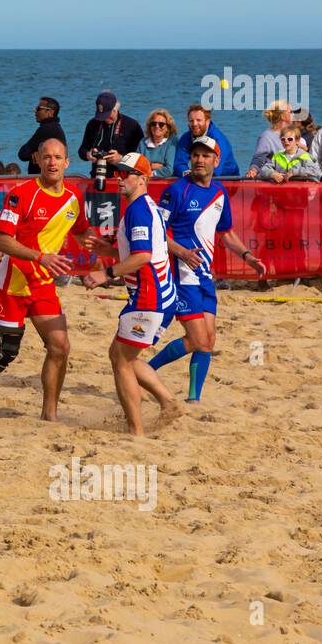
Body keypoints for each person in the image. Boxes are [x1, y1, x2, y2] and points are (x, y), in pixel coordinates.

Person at [0, 138, 87, 425]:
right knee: (4, 353)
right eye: (47, 157)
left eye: (58, 157)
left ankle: (49, 414)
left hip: (42, 285)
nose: (52, 162)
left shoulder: (74, 198)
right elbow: (2, 240)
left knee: (60, 347)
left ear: (67, 163)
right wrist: (40, 257)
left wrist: (106, 251)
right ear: (38, 161)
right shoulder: (21, 194)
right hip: (11, 284)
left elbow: (81, 233)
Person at [148, 136, 267, 403]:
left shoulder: (219, 192)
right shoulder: (177, 191)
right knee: (197, 339)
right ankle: (146, 370)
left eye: (205, 155)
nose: (199, 160)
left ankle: (193, 399)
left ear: (216, 160)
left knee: (208, 340)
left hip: (204, 276)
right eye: (195, 155)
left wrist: (248, 257)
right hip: (182, 273)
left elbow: (225, 232)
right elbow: (158, 233)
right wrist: (181, 252)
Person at [79, 153, 182, 436]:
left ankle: (135, 432)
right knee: (122, 355)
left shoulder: (138, 210)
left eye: (126, 174)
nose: (118, 178)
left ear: (143, 179)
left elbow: (142, 256)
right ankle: (168, 402)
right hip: (161, 295)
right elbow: (141, 250)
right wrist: (108, 249)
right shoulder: (143, 206)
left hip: (149, 297)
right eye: (117, 173)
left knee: (121, 361)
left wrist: (105, 274)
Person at [78, 91, 144, 175]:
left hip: (124, 177)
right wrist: (88, 155)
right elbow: (82, 150)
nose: (105, 119)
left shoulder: (132, 125)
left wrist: (121, 158)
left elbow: (141, 158)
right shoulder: (93, 124)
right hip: (97, 175)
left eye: (107, 115)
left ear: (116, 109)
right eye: (102, 115)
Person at [172, 105, 240, 178]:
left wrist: (196, 176)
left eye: (198, 120)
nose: (194, 124)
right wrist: (188, 174)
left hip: (227, 179)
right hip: (201, 176)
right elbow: (178, 165)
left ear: (207, 122)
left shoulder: (218, 139)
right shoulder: (186, 137)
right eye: (191, 121)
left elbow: (216, 169)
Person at [17, 98, 65, 175]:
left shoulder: (46, 129)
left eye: (39, 108)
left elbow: (22, 154)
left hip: (43, 179)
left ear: (50, 112)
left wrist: (34, 153)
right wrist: (35, 153)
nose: (35, 111)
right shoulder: (56, 127)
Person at [244, 101, 292, 178]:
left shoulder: (294, 135)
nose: (293, 115)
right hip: (275, 182)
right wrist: (253, 170)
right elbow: (259, 159)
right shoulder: (267, 137)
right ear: (283, 116)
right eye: (291, 112)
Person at [137, 108, 177, 176]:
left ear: (167, 128)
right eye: (153, 123)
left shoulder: (172, 142)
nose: (157, 126)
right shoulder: (143, 143)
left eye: (161, 124)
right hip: (144, 181)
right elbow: (136, 166)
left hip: (164, 183)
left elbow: (169, 170)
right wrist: (151, 165)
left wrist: (150, 172)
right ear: (150, 126)